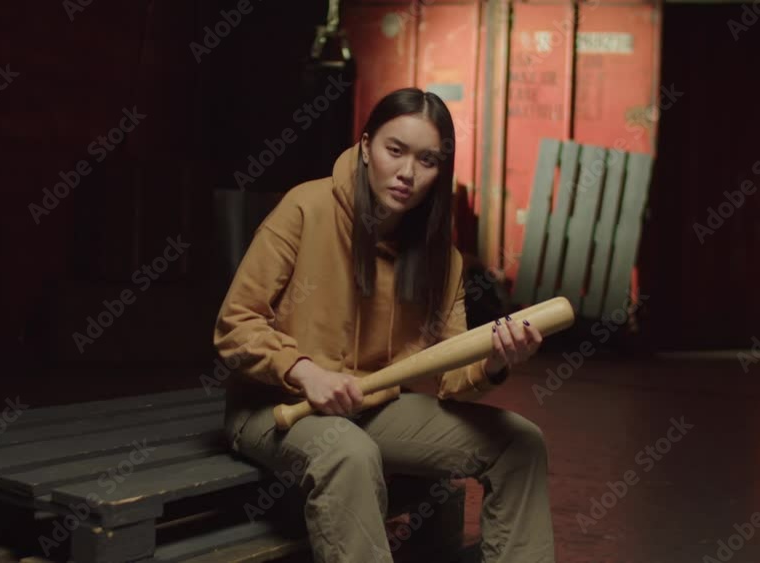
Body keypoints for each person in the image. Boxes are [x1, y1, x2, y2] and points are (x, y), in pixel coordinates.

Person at [213, 87, 554, 563]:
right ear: (366, 145)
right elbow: (235, 324)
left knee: (520, 444)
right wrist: (304, 371)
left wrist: (494, 362)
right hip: (275, 405)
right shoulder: (305, 209)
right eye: (395, 150)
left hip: (370, 406)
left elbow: (452, 376)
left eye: (428, 160)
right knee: (349, 454)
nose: (408, 173)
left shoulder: (442, 260)